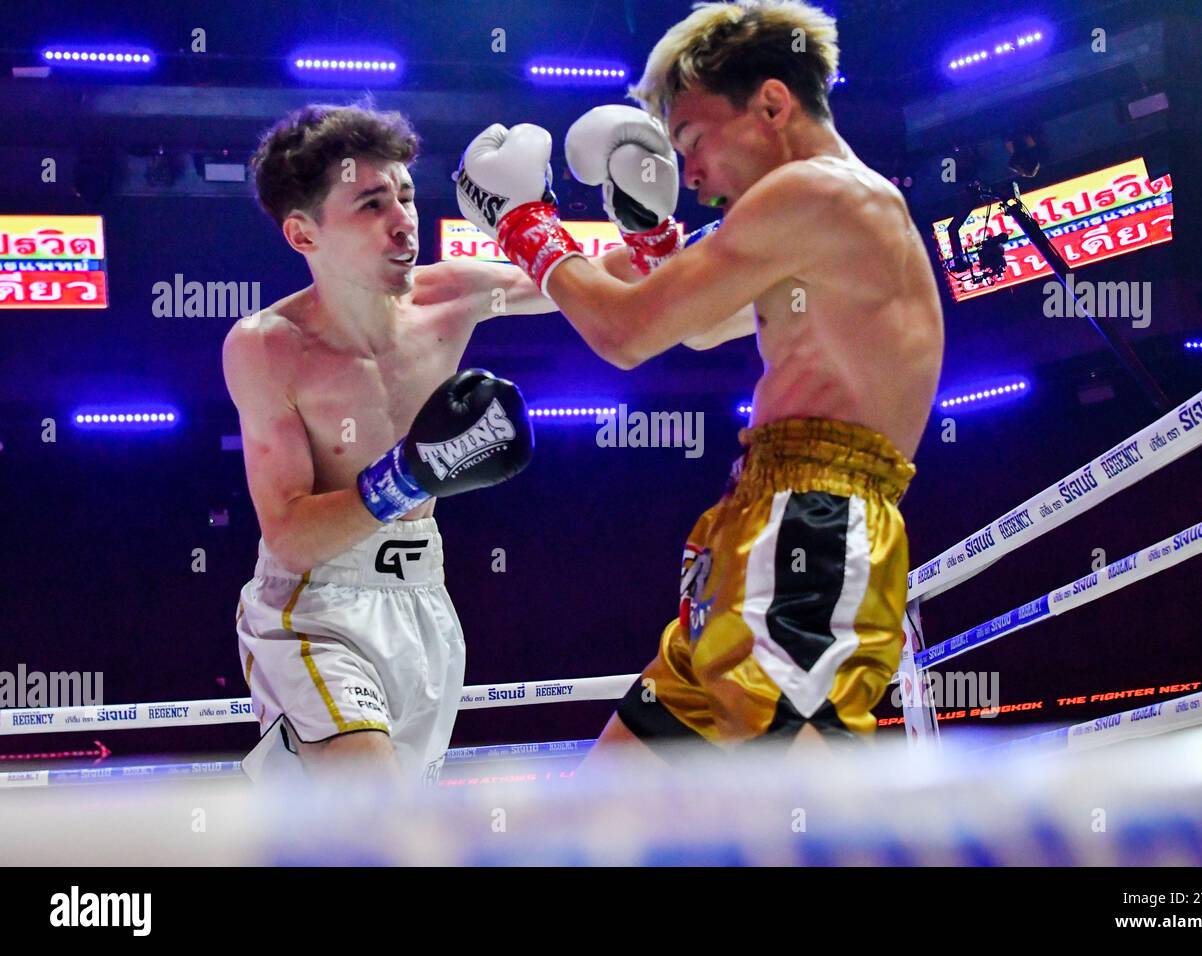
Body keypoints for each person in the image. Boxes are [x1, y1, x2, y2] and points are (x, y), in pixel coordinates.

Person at [453, 0, 945, 760]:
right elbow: (703, 323)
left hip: (809, 527)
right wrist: (652, 239)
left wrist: (524, 224)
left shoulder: (817, 189)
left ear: (772, 104)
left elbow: (626, 334)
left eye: (691, 138)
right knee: (611, 806)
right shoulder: (820, 205)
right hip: (763, 524)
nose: (690, 171)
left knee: (804, 810)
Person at [227, 102, 544, 784]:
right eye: (371, 204)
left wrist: (649, 226)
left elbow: (619, 286)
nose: (403, 218)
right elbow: (287, 535)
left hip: (425, 600)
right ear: (303, 234)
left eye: (404, 194)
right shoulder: (267, 346)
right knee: (377, 814)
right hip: (314, 605)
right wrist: (410, 474)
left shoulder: (453, 294)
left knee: (378, 836)